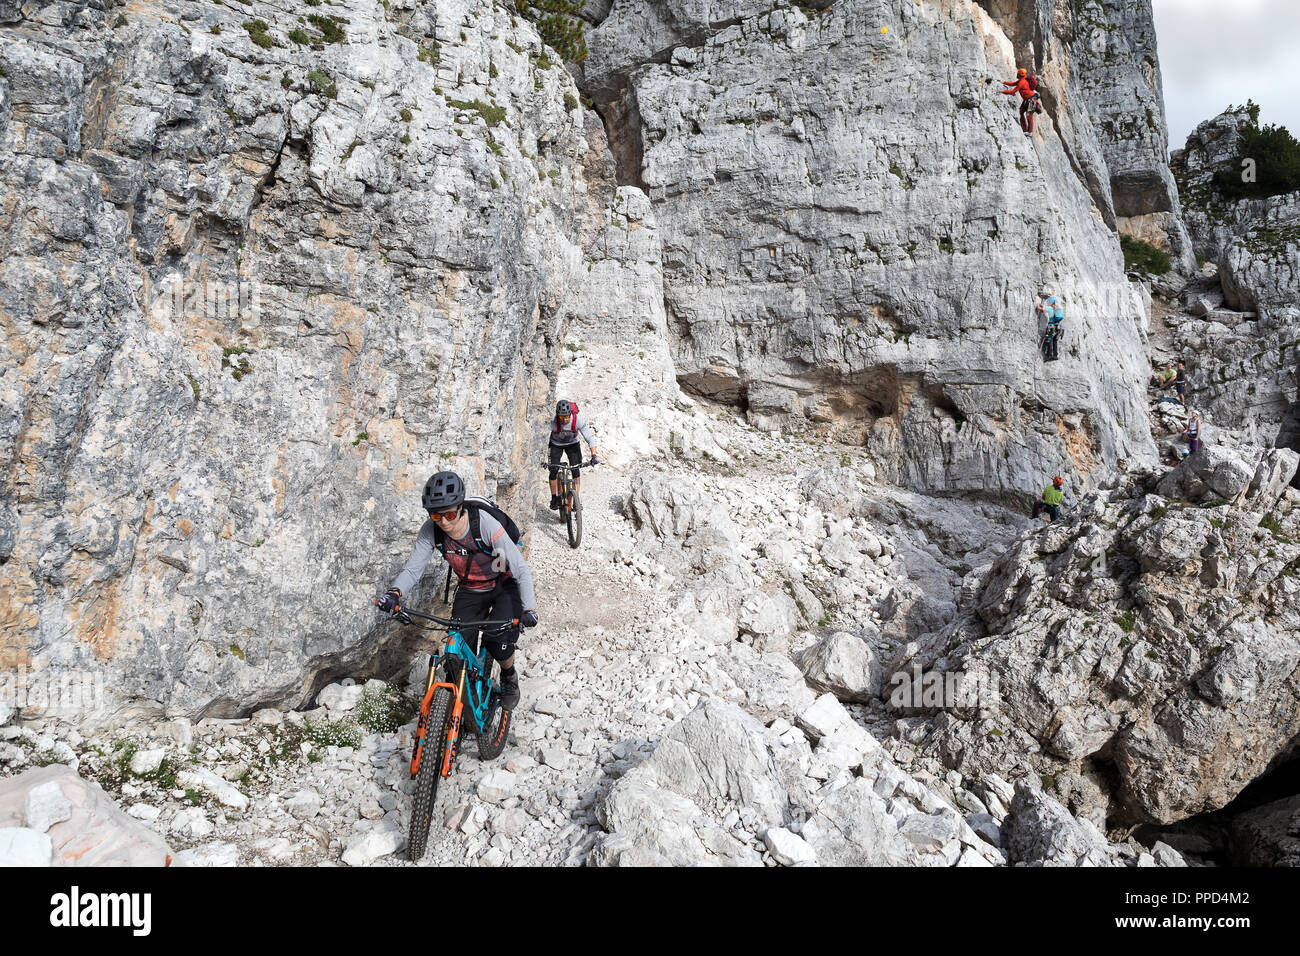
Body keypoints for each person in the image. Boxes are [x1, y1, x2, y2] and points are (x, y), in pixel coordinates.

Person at [377, 471, 537, 711]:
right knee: (455, 650)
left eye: (450, 514)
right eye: (435, 515)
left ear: (461, 507)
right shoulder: (431, 531)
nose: (443, 521)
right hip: (471, 588)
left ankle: (509, 676)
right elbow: (413, 569)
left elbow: (520, 568)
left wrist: (529, 609)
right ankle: (463, 701)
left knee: (497, 641)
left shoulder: (484, 524)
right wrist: (394, 593)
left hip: (504, 584)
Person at [548, 399, 598, 511]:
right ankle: (554, 498)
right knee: (553, 470)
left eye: (567, 416)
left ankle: (576, 501)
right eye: (561, 417)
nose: (565, 419)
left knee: (576, 471)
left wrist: (594, 455)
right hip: (556, 444)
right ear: (558, 415)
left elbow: (589, 437)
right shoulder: (553, 421)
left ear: (571, 414)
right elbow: (543, 437)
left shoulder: (577, 420)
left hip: (573, 444)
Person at [1001, 68, 1041, 136]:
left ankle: (1030, 132)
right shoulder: (1022, 80)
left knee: (1029, 115)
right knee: (1021, 111)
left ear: (1019, 74)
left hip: (1031, 100)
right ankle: (1024, 129)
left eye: (1018, 73)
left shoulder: (1022, 82)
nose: (1017, 74)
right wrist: (1004, 82)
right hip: (1028, 99)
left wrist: (1003, 91)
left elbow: (1013, 91)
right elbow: (1013, 84)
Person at [1036, 294, 1065, 361]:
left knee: (1049, 340)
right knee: (1054, 341)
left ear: (1051, 302)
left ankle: (1049, 355)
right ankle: (1055, 355)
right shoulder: (1056, 309)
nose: (1048, 303)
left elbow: (1040, 308)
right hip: (1057, 327)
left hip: (1051, 327)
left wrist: (1038, 303)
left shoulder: (1049, 308)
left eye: (1049, 302)